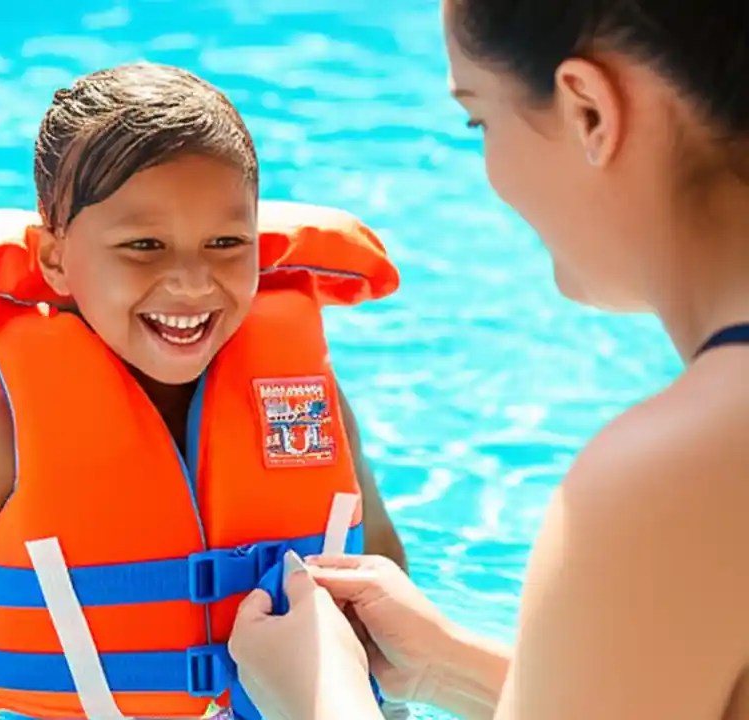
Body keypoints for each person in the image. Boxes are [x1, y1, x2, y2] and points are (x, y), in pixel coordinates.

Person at [227, 0, 749, 718]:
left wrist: (317, 693)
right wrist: (449, 669)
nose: (490, 171)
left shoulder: (670, 476)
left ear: (589, 110)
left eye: (480, 119)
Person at [0, 62, 409, 719]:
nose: (191, 281)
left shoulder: (304, 409)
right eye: (144, 245)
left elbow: (381, 589)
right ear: (54, 259)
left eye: (225, 242)